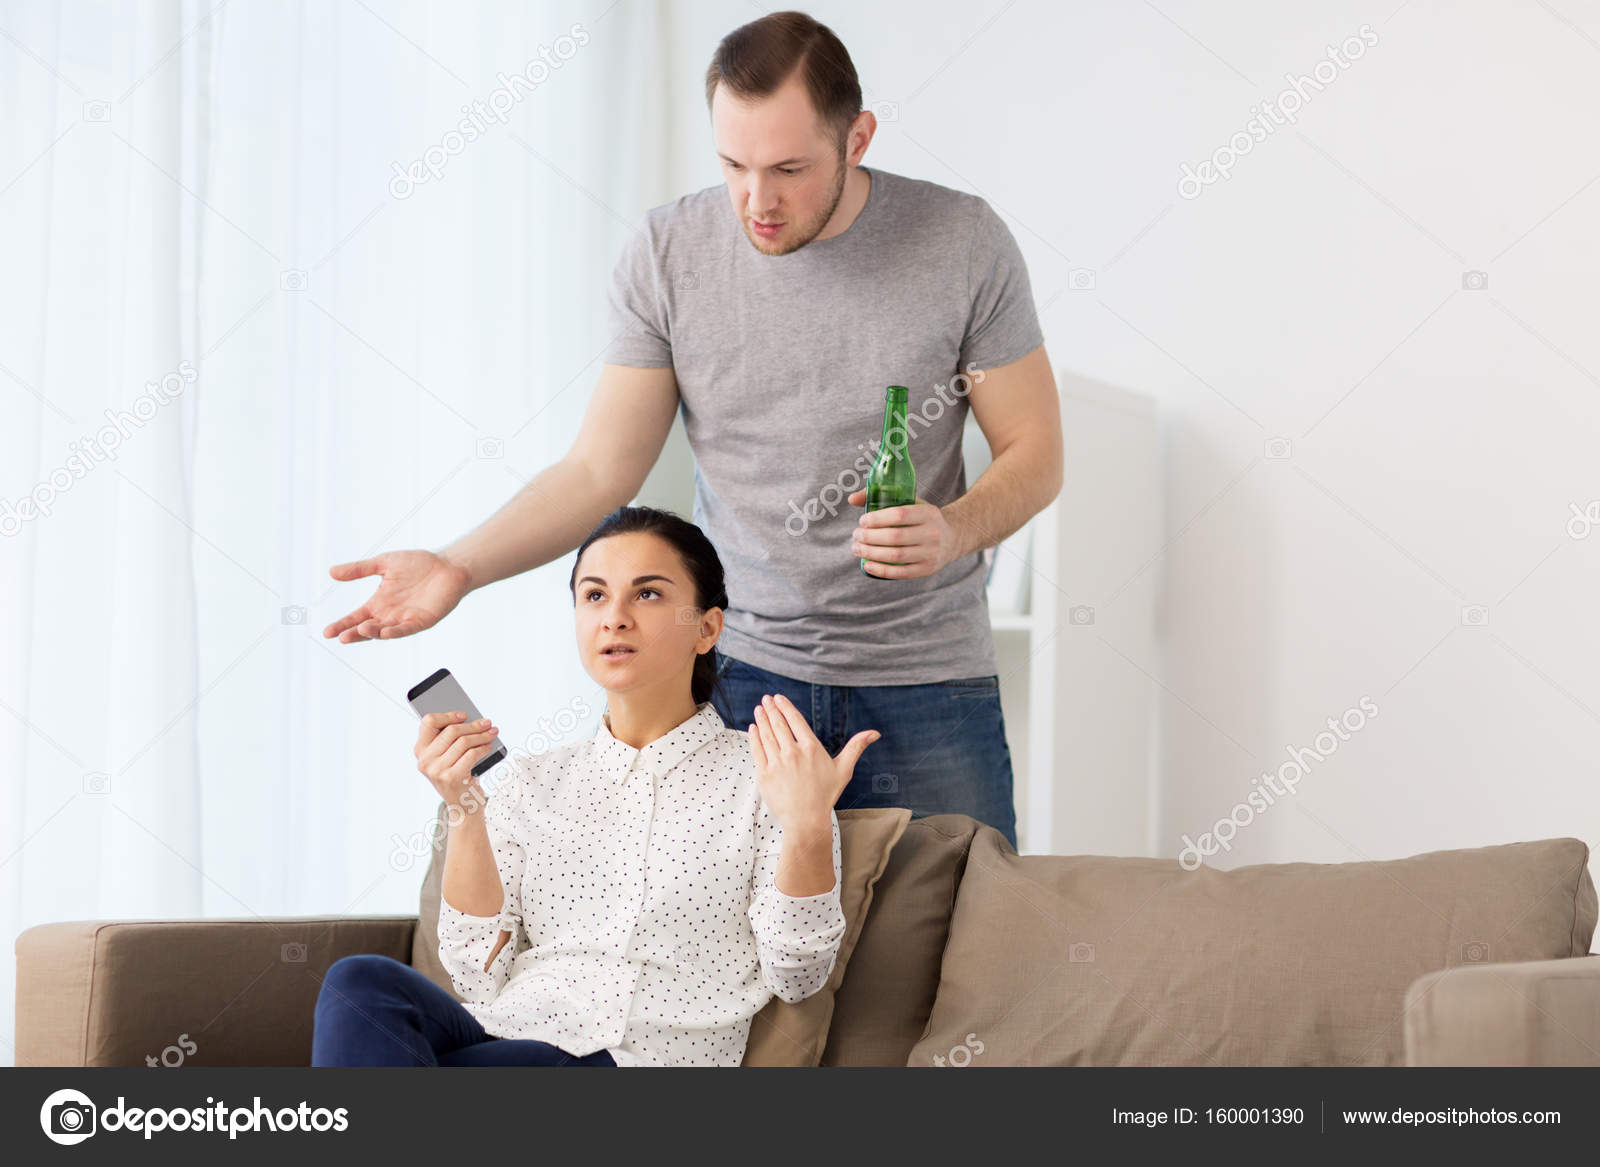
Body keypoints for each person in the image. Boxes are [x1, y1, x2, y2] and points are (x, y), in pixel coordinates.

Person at [322, 12, 1061, 849]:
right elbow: (601, 470)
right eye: (733, 165)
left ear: (857, 138)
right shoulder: (668, 252)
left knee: (964, 945)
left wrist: (953, 528)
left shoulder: (962, 242)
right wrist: (460, 564)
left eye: (788, 168)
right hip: (741, 678)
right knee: (746, 964)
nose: (758, 201)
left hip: (928, 680)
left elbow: (1035, 454)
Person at [312, 506, 877, 1067]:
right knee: (358, 982)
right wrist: (464, 807)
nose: (615, 617)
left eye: (648, 594)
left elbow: (798, 977)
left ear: (707, 628)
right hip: (507, 1039)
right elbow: (476, 977)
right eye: (595, 595)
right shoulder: (531, 782)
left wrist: (806, 826)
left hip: (638, 1061)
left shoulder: (773, 781)